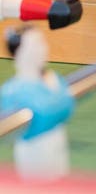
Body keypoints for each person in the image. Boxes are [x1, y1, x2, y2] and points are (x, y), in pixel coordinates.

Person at [1, 26, 74, 180]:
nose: (43, 48)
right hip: (35, 151)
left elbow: (65, 106)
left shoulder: (53, 78)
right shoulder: (12, 90)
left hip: (56, 144)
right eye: (35, 44)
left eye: (42, 42)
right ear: (19, 51)